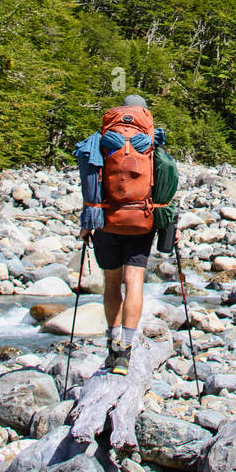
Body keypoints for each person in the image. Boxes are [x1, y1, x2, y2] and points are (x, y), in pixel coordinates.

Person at [78, 94, 172, 376]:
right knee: (134, 283)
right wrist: (167, 222)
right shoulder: (153, 141)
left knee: (111, 284)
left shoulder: (103, 140)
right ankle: (126, 352)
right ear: (143, 111)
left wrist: (87, 219)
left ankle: (112, 344)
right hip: (142, 221)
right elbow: (164, 181)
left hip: (107, 220)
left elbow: (90, 178)